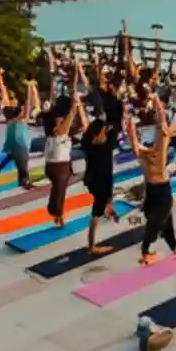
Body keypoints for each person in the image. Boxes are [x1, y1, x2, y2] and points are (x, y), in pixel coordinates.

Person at [125, 95, 176, 265]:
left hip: (159, 191)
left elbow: (162, 129)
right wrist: (130, 125)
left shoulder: (151, 155)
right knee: (156, 223)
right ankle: (145, 253)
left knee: (166, 221)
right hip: (155, 192)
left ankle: (173, 248)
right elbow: (135, 141)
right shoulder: (146, 155)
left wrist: (158, 103)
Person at [82, 103, 119, 253]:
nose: (106, 133)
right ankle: (91, 246)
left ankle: (108, 207)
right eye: (103, 131)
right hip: (100, 182)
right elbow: (114, 128)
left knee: (106, 198)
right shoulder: (107, 146)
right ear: (97, 135)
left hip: (94, 180)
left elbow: (112, 128)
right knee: (96, 212)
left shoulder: (88, 145)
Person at [45, 85, 82, 228]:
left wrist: (75, 106)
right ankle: (59, 214)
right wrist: (74, 109)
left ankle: (57, 213)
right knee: (59, 191)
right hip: (58, 165)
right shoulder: (58, 124)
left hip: (58, 163)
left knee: (58, 190)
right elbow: (62, 130)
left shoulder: (55, 120)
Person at [0, 73, 33, 189]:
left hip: (12, 146)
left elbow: (25, 105)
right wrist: (29, 87)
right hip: (19, 146)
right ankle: (25, 182)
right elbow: (28, 104)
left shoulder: (11, 120)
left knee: (13, 162)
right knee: (22, 165)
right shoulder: (20, 119)